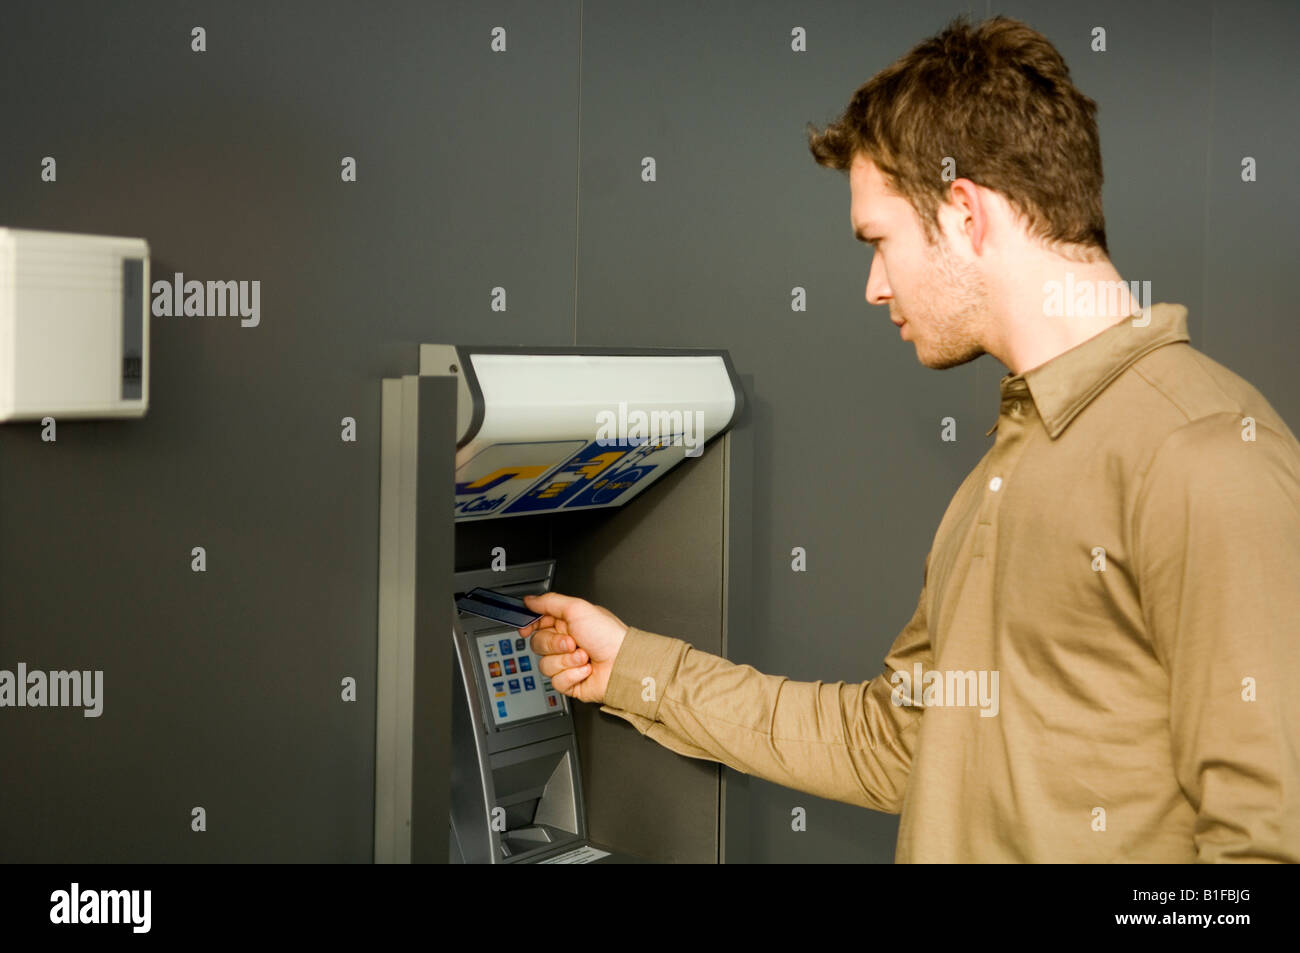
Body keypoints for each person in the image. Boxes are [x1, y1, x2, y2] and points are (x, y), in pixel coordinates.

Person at [517, 15, 1300, 862]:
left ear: (965, 212)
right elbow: (892, 741)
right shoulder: (1013, 462)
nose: (872, 286)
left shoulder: (1210, 453)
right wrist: (635, 665)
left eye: (879, 242)